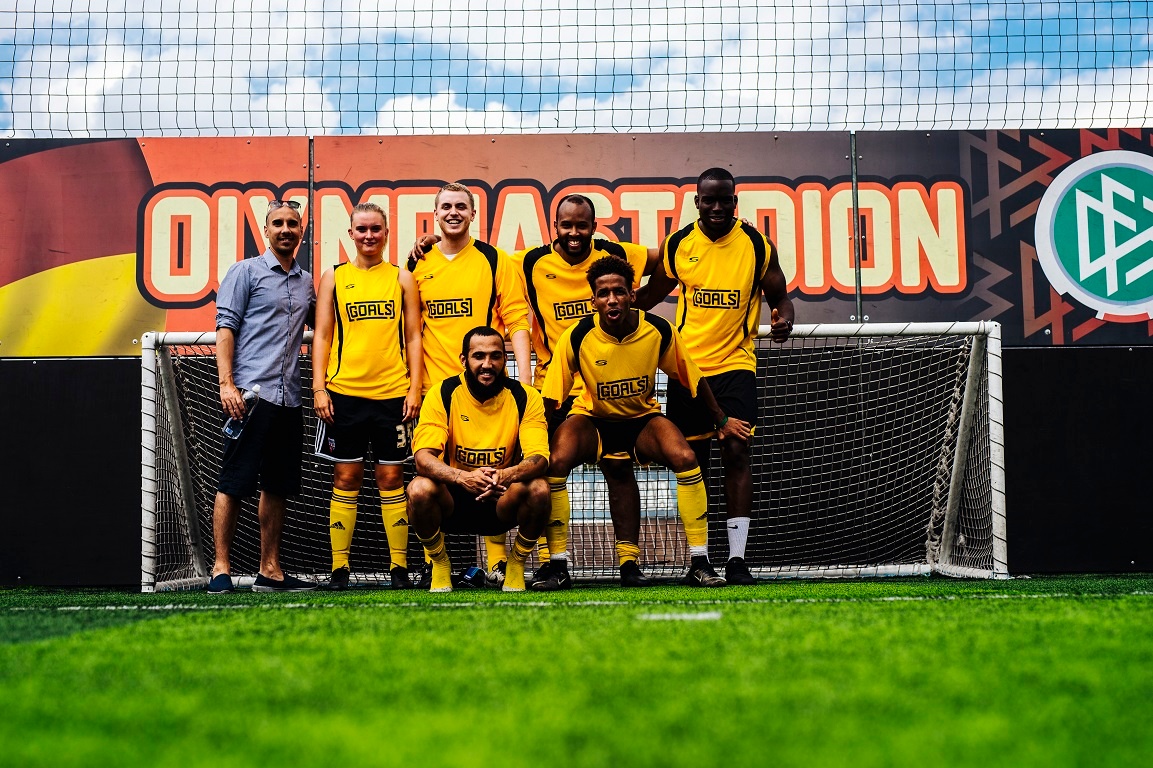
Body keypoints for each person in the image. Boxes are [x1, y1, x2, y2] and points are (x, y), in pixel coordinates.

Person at [541, 256, 750, 589]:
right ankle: (557, 566)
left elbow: (692, 378)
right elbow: (552, 398)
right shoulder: (577, 335)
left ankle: (700, 562)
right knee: (555, 461)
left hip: (641, 419)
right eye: (604, 293)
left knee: (686, 457)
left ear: (632, 295)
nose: (612, 299)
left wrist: (721, 420)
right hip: (593, 419)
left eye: (619, 292)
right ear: (593, 300)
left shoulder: (658, 329)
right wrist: (536, 442)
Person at [635, 167, 796, 585]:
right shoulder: (679, 243)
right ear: (697, 202)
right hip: (687, 369)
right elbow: (651, 295)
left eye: (726, 199)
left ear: (735, 201)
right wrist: (614, 305)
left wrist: (784, 321)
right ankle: (699, 560)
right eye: (710, 200)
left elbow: (781, 298)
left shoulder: (757, 245)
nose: (718, 207)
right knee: (693, 464)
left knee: (737, 450)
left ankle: (737, 560)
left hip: (735, 364)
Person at [512, 193, 657, 585]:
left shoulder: (614, 253)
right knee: (551, 468)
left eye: (582, 225)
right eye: (566, 225)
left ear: (594, 226)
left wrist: (640, 302)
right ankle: (554, 563)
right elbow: (480, 263)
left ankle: (629, 563)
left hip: (606, 385)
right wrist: (428, 245)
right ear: (554, 226)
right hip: (555, 386)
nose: (574, 232)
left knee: (619, 468)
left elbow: (669, 258)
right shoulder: (530, 262)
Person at [408, 182, 533, 587]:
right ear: (435, 213)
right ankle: (438, 564)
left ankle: (498, 564)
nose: (453, 212)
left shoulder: (494, 259)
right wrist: (412, 387)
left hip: (490, 389)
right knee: (434, 478)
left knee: (495, 468)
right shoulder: (417, 263)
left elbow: (516, 319)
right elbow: (410, 330)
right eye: (446, 206)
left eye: (461, 206)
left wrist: (525, 379)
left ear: (473, 213)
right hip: (436, 392)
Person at [311, 202, 423, 590]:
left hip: (393, 395)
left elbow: (414, 337)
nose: (369, 235)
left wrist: (414, 388)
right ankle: (339, 568)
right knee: (346, 476)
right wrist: (319, 387)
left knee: (392, 477)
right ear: (351, 234)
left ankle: (399, 568)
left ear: (387, 233)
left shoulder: (402, 278)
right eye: (362, 229)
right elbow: (322, 335)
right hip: (344, 394)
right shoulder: (334, 276)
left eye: (376, 229)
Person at [209, 198, 317, 593]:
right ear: (266, 230)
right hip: (249, 397)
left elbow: (325, 326)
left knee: (277, 486)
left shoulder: (306, 282)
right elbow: (225, 328)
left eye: (293, 223)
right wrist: (226, 384)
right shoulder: (245, 271)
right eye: (278, 223)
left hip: (289, 400)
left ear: (301, 231)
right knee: (233, 482)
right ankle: (220, 569)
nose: (286, 229)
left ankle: (269, 570)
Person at [408, 326, 551, 593]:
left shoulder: (525, 397)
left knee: (539, 488)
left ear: (504, 359)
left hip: (501, 498)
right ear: (464, 360)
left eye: (495, 356)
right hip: (454, 500)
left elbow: (539, 458)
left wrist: (504, 475)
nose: (487, 364)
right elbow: (423, 458)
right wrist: (462, 477)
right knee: (418, 488)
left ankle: (516, 564)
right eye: (479, 356)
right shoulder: (443, 393)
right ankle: (440, 563)